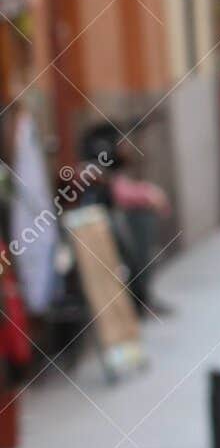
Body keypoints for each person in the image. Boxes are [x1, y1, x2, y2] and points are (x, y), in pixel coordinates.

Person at [79, 123, 174, 318]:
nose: (127, 147)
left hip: (112, 216)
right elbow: (116, 190)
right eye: (123, 143)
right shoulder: (98, 170)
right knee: (130, 261)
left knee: (135, 260)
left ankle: (140, 301)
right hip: (103, 220)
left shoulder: (110, 171)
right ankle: (136, 303)